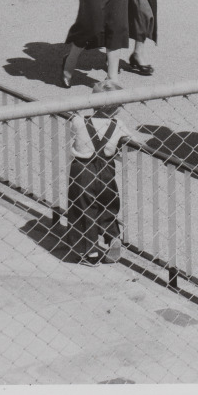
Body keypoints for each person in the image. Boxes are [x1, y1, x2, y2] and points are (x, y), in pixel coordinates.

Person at [67, 80, 131, 263]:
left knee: (83, 207)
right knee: (107, 203)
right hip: (106, 169)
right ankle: (112, 236)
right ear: (117, 108)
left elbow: (73, 133)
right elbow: (132, 142)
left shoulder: (79, 121)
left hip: (82, 169)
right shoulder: (118, 124)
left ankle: (90, 251)